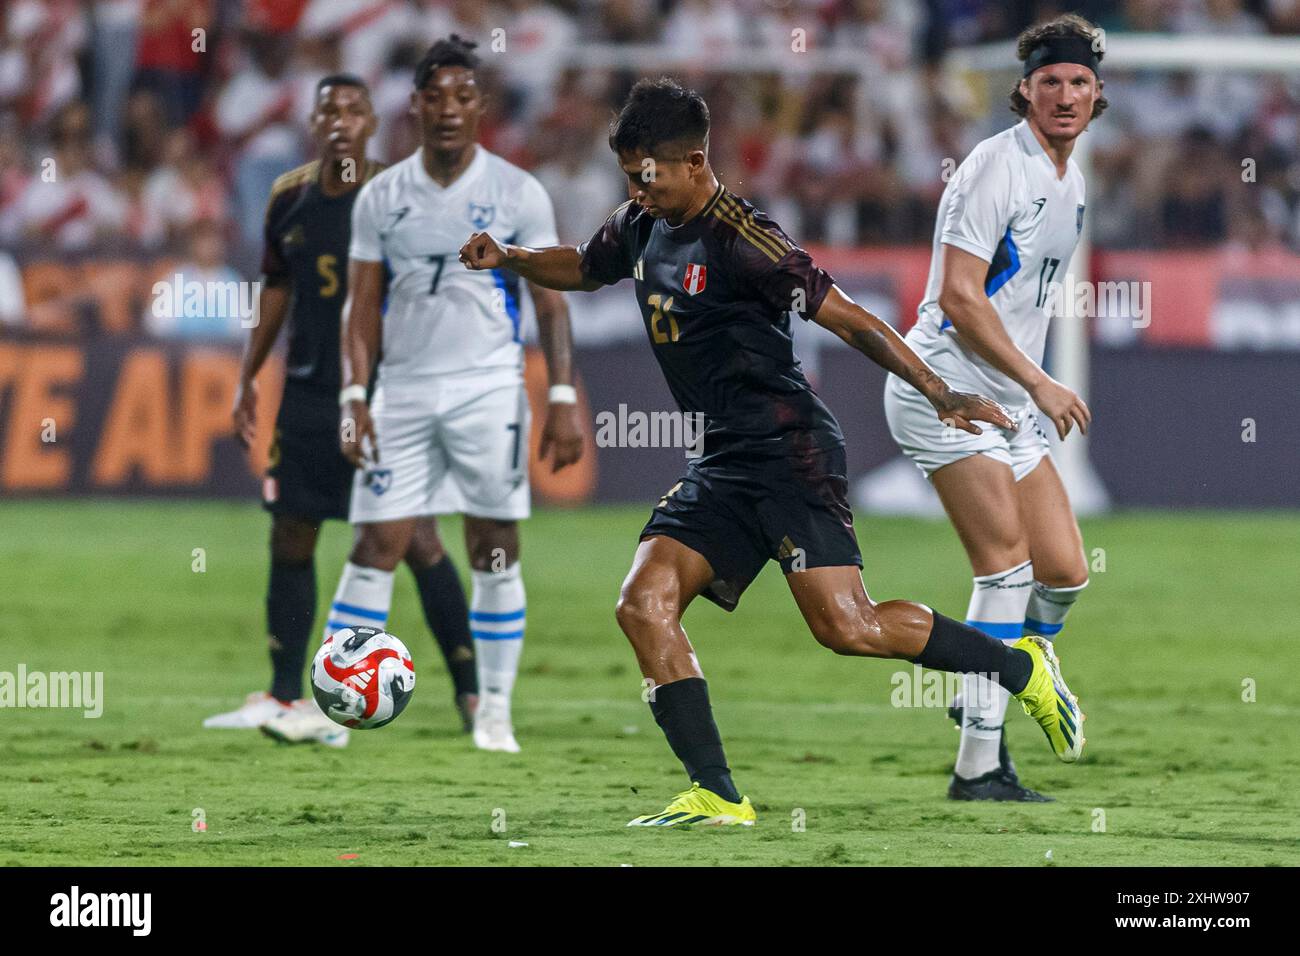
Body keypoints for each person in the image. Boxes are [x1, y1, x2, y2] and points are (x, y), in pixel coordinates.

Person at [460, 77, 1085, 827]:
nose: (636, 190)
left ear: (694, 161)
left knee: (846, 628)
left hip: (791, 453)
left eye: (645, 175)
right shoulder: (642, 225)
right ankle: (719, 796)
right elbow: (585, 270)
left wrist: (938, 390)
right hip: (723, 463)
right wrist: (511, 257)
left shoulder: (746, 239)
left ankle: (1021, 669)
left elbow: (850, 319)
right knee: (643, 605)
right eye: (630, 177)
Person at [206, 74, 479, 747]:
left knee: (416, 540)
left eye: (354, 110)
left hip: (388, 398)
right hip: (306, 394)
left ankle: (477, 695)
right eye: (329, 109)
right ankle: (284, 694)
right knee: (290, 534)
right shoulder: (288, 196)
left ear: (371, 124)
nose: (340, 120)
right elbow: (275, 286)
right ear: (313, 120)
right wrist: (248, 375)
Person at [331, 37, 584, 753]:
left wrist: (562, 393)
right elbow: (361, 306)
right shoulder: (382, 195)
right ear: (413, 105)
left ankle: (494, 708)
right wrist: (355, 395)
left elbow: (551, 303)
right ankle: (343, 705)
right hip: (403, 390)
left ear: (481, 107)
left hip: (488, 390)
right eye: (434, 96)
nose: (447, 109)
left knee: (494, 547)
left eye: (462, 97)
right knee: (375, 542)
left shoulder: (518, 192)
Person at [883, 13, 1101, 802]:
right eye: (1051, 82)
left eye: (1079, 82)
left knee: (1066, 573)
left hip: (1007, 402)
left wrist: (1029, 390)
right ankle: (979, 763)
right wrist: (1041, 382)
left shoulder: (1072, 182)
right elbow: (959, 299)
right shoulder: (991, 168)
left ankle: (1014, 665)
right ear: (1025, 91)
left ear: (1097, 93)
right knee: (1005, 566)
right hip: (943, 389)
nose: (1066, 95)